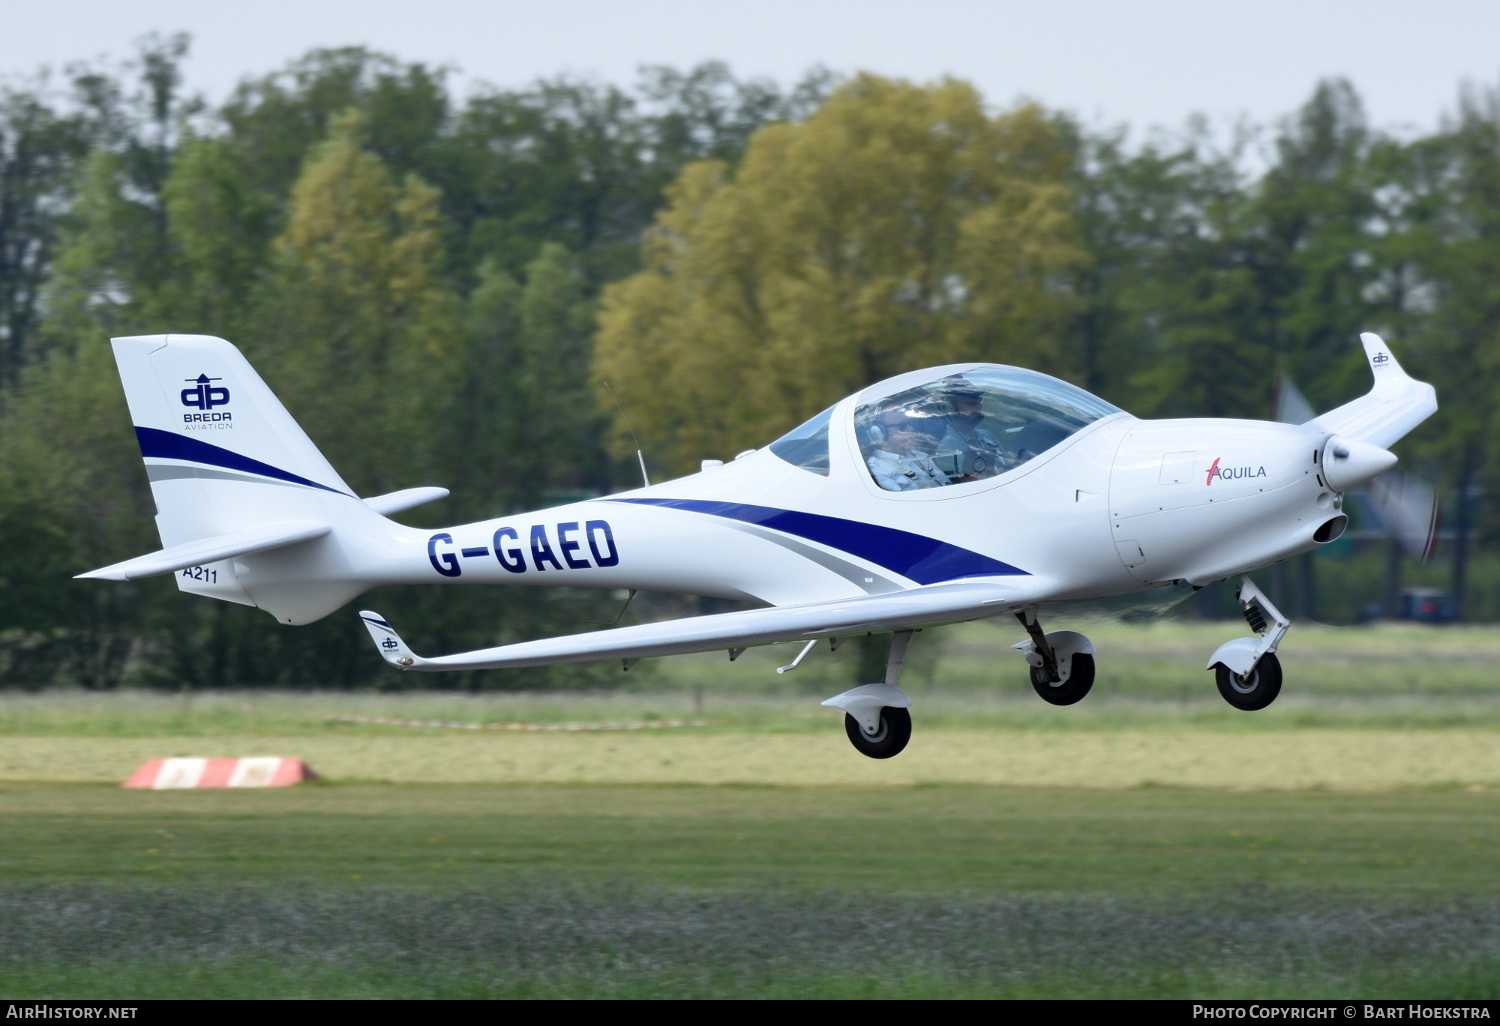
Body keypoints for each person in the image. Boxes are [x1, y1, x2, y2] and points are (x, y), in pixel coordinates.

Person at [934, 380, 1007, 480]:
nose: (980, 406)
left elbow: (1008, 465)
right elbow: (966, 484)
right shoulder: (948, 448)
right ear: (951, 409)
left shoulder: (986, 435)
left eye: (979, 400)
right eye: (971, 403)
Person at [865, 406, 951, 491]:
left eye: (910, 423)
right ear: (880, 432)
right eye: (902, 426)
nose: (910, 429)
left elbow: (946, 483)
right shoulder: (877, 469)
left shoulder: (920, 456)